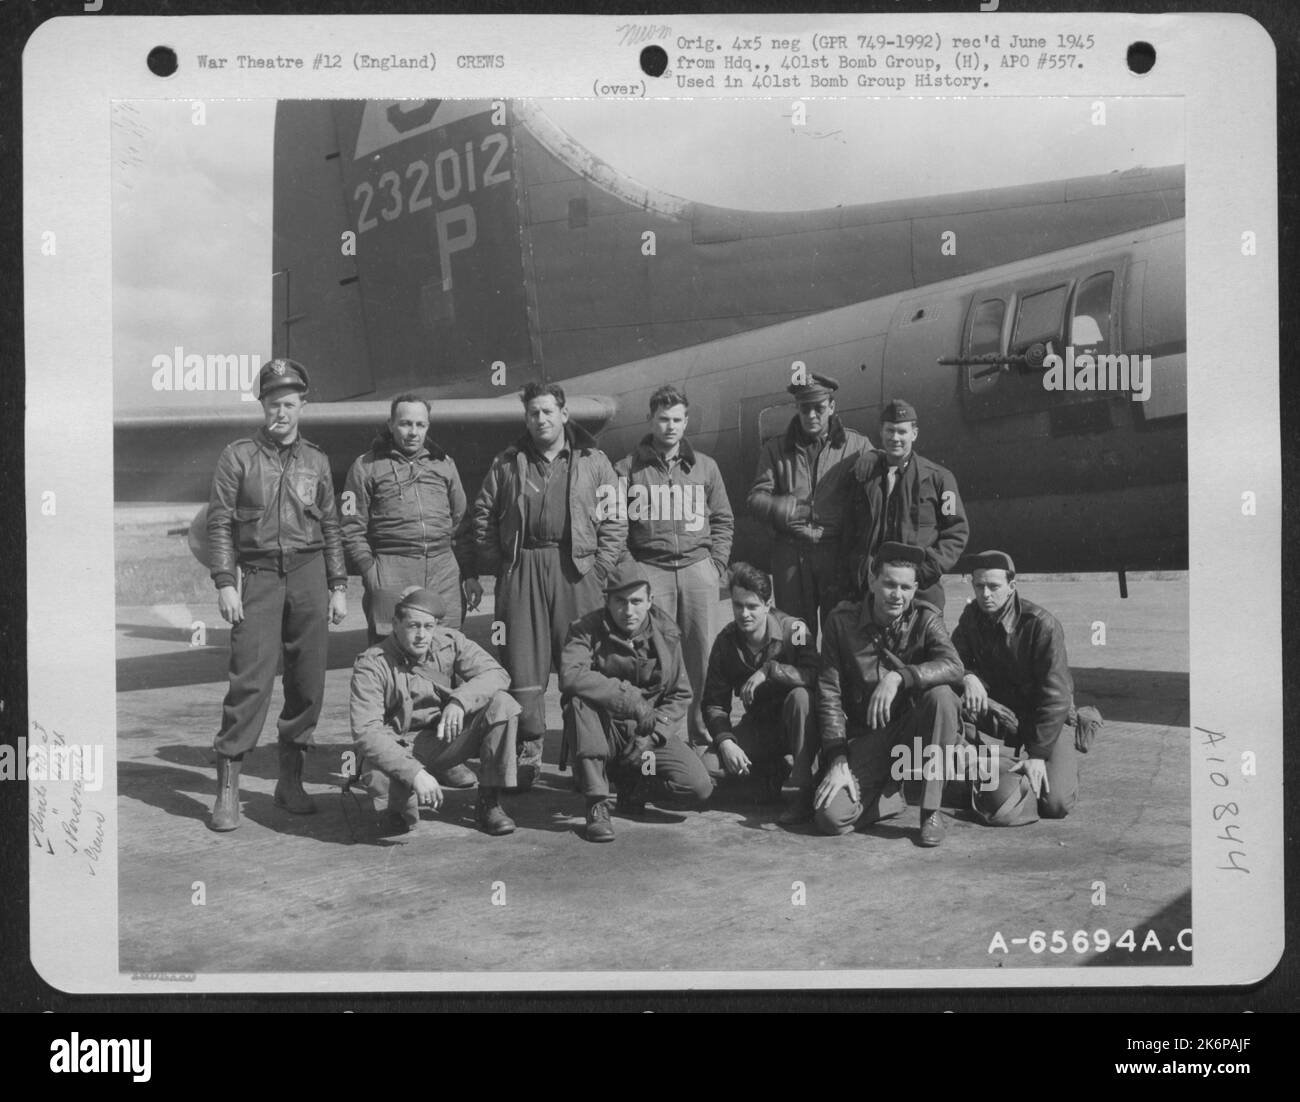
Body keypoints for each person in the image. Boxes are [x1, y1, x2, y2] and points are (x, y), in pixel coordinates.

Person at [206, 358, 347, 832]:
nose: (279, 413)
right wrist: (226, 582)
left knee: (308, 683)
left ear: (302, 405)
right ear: (262, 406)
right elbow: (219, 522)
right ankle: (227, 791)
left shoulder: (318, 460)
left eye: (288, 404)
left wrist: (339, 585)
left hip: (309, 575)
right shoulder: (239, 456)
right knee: (250, 680)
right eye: (272, 404)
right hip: (260, 576)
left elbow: (331, 524)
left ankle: (291, 782)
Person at [468, 382, 627, 791]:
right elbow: (483, 514)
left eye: (548, 411)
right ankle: (529, 750)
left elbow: (614, 517)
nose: (541, 419)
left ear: (564, 414)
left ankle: (584, 753)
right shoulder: (507, 463)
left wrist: (601, 568)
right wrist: (501, 563)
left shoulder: (594, 461)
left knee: (581, 664)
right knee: (523, 662)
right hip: (524, 567)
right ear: (526, 418)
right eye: (533, 413)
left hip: (577, 568)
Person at [341, 393, 479, 789]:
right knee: (391, 661)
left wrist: (467, 573)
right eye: (404, 423)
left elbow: (461, 522)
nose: (412, 432)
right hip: (392, 566)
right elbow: (350, 525)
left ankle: (445, 755)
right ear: (390, 425)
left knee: (446, 657)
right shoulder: (365, 467)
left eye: (420, 425)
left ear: (428, 427)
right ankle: (386, 759)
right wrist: (372, 572)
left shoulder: (444, 465)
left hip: (441, 565)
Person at [813, 542, 963, 846]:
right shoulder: (840, 623)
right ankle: (891, 798)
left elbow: (953, 665)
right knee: (830, 817)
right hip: (869, 739)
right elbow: (829, 693)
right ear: (872, 581)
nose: (898, 595)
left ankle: (930, 811)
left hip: (915, 736)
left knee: (943, 696)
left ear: (916, 588)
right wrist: (837, 758)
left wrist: (901, 676)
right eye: (889, 584)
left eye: (906, 587)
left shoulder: (925, 619)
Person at [559, 560, 715, 843]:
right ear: (607, 600)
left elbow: (680, 693)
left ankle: (633, 785)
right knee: (579, 701)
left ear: (650, 600)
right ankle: (596, 802)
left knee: (698, 788)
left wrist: (655, 736)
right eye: (620, 601)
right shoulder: (585, 629)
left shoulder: (667, 633)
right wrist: (629, 699)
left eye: (636, 601)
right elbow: (571, 676)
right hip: (603, 727)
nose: (628, 611)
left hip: (645, 730)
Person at [613, 385, 733, 750]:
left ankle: (702, 733)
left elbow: (724, 520)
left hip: (698, 569)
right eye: (663, 419)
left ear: (686, 422)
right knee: (657, 658)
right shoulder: (627, 469)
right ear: (651, 419)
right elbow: (615, 527)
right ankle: (661, 735)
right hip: (651, 570)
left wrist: (716, 566)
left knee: (703, 655)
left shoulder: (705, 467)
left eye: (677, 420)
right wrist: (633, 574)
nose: (670, 427)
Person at [348, 586, 519, 836]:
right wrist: (414, 772)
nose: (421, 635)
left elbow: (497, 674)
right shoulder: (372, 664)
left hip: (444, 735)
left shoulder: (449, 642)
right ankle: (399, 810)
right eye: (413, 626)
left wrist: (460, 701)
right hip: (401, 745)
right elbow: (366, 731)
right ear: (395, 624)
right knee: (381, 783)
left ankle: (489, 801)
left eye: (428, 627)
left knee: (502, 704)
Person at [951, 550, 1080, 825]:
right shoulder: (970, 617)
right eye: (979, 586)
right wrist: (968, 676)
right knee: (947, 696)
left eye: (994, 586)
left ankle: (1017, 771)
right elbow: (949, 659)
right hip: (1001, 715)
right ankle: (980, 767)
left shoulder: (1041, 624)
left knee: (1055, 805)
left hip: (1042, 719)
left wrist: (1037, 756)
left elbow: (1056, 698)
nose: (985, 594)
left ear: (1012, 586)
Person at [746, 372, 872, 643]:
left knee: (838, 633)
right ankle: (800, 685)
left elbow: (882, 470)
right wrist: (779, 507)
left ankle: (832, 686)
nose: (812, 415)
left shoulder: (857, 446)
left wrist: (873, 459)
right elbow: (755, 499)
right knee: (795, 634)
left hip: (834, 556)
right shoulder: (776, 449)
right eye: (805, 408)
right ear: (797, 409)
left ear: (832, 407)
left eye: (819, 407)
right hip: (791, 556)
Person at [700, 563, 820, 824]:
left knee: (801, 696)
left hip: (799, 724)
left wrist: (771, 669)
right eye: (738, 605)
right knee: (707, 770)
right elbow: (714, 704)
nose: (744, 614)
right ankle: (771, 774)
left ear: (768, 604)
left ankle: (802, 793)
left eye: (752, 606)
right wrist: (725, 741)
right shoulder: (727, 641)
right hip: (760, 728)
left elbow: (814, 676)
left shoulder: (794, 631)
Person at [846, 398, 969, 611]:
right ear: (881, 432)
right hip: (873, 590)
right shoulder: (865, 478)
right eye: (890, 431)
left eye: (902, 432)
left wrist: (924, 570)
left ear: (914, 434)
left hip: (921, 590)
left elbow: (956, 532)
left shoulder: (938, 478)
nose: (895, 438)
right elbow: (850, 531)